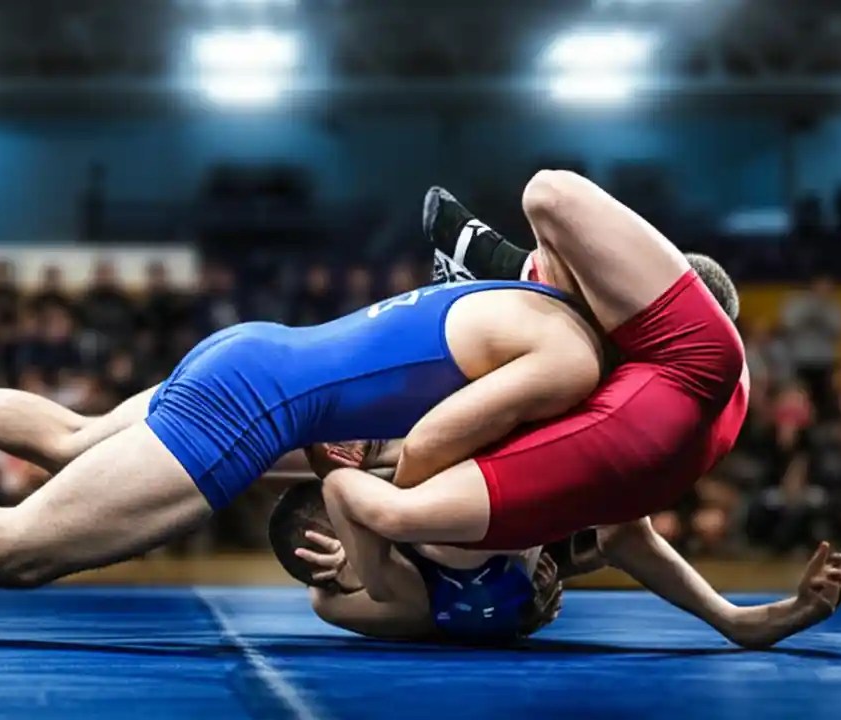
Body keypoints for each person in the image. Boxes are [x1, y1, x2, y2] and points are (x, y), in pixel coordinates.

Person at [0, 268, 605, 636]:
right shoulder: (566, 364)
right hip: (259, 404)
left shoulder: (528, 316)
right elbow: (430, 456)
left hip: (261, 353)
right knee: (28, 548)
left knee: (75, 441)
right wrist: (371, 491)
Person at [315, 176, 749, 582]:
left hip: (458, 491)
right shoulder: (593, 366)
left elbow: (613, 525)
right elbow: (614, 528)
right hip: (448, 477)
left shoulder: (618, 383)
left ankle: (508, 265)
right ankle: (508, 265)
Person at [271, 481, 841, 649]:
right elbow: (431, 614)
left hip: (493, 574)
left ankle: (737, 621)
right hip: (482, 587)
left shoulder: (414, 500)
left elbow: (444, 613)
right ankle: (738, 623)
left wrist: (516, 611)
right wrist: (514, 615)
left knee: (623, 532)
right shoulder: (337, 596)